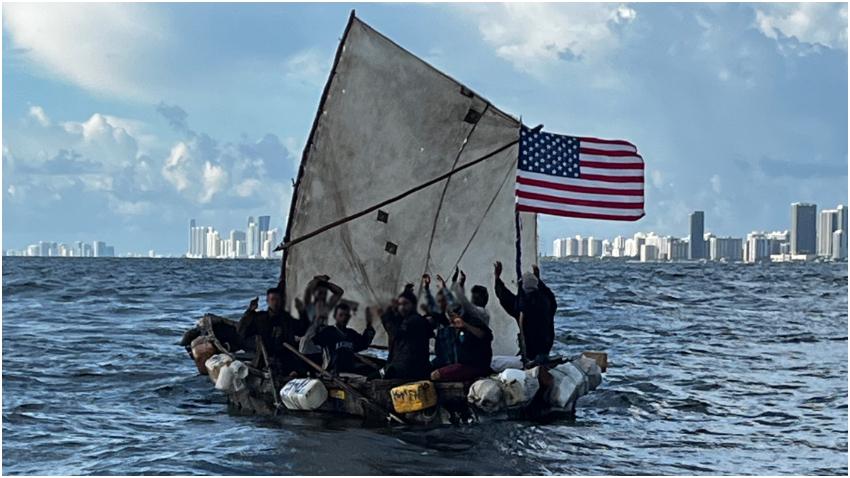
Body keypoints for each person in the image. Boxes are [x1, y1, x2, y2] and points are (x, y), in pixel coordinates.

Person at [493, 262, 556, 364]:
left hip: (529, 352)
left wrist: (497, 278)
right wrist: (538, 280)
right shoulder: (546, 302)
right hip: (545, 348)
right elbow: (549, 295)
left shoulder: (522, 306)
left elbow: (504, 297)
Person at [237, 287, 308, 375]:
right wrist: (249, 312)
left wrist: (302, 312)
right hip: (265, 360)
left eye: (277, 299)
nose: (275, 302)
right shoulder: (260, 318)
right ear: (267, 301)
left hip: (287, 360)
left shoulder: (287, 319)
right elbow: (242, 332)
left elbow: (302, 331)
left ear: (281, 301)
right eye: (272, 299)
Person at [380, 283, 433, 380]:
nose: (402, 307)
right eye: (399, 304)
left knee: (374, 378)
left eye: (405, 304)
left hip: (409, 369)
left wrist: (387, 316)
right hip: (405, 367)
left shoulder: (415, 320)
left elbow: (395, 334)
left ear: (413, 305)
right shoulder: (407, 320)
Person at [430, 303, 493, 382]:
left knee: (436, 375)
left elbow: (484, 335)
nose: (452, 319)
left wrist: (465, 325)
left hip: (474, 366)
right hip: (456, 364)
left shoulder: (473, 322)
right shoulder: (449, 329)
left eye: (454, 315)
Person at [312, 302, 376, 375]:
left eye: (346, 315)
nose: (344, 318)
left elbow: (363, 343)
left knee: (372, 371)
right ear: (335, 316)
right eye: (341, 315)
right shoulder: (328, 332)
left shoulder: (351, 333)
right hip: (334, 370)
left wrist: (369, 324)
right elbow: (314, 340)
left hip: (351, 368)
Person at [298, 275, 344, 366]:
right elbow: (308, 290)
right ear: (314, 293)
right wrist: (317, 280)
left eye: (324, 293)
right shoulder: (308, 306)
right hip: (307, 347)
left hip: (319, 348)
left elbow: (339, 292)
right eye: (320, 292)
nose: (323, 295)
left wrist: (327, 284)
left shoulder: (326, 307)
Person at [421, 274, 454, 369]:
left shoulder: (451, 318)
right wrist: (426, 288)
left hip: (449, 362)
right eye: (438, 301)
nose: (440, 304)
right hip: (440, 360)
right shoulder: (437, 319)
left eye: (443, 301)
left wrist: (444, 289)